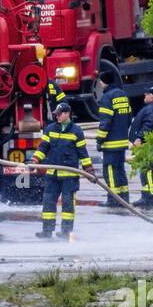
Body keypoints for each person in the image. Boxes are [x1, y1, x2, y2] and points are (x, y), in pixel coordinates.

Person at [31, 101, 93, 238]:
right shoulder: (50, 129)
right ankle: (47, 231)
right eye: (56, 115)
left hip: (69, 176)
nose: (57, 117)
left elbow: (83, 153)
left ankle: (65, 232)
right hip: (52, 174)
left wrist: (89, 170)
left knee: (68, 205)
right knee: (48, 202)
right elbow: (43, 147)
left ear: (67, 114)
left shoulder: (76, 131)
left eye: (59, 114)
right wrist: (35, 160)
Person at [95, 67, 133, 209]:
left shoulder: (107, 98)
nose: (99, 84)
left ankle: (113, 199)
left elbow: (106, 121)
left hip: (110, 143)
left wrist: (100, 140)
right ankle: (124, 197)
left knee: (110, 171)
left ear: (104, 82)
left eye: (100, 81)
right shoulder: (122, 95)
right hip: (122, 140)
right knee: (120, 170)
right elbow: (129, 117)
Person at [128, 86, 153, 208]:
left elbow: (148, 125)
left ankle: (149, 197)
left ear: (152, 96)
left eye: (147, 94)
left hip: (148, 146)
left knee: (147, 171)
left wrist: (139, 138)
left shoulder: (151, 110)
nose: (144, 96)